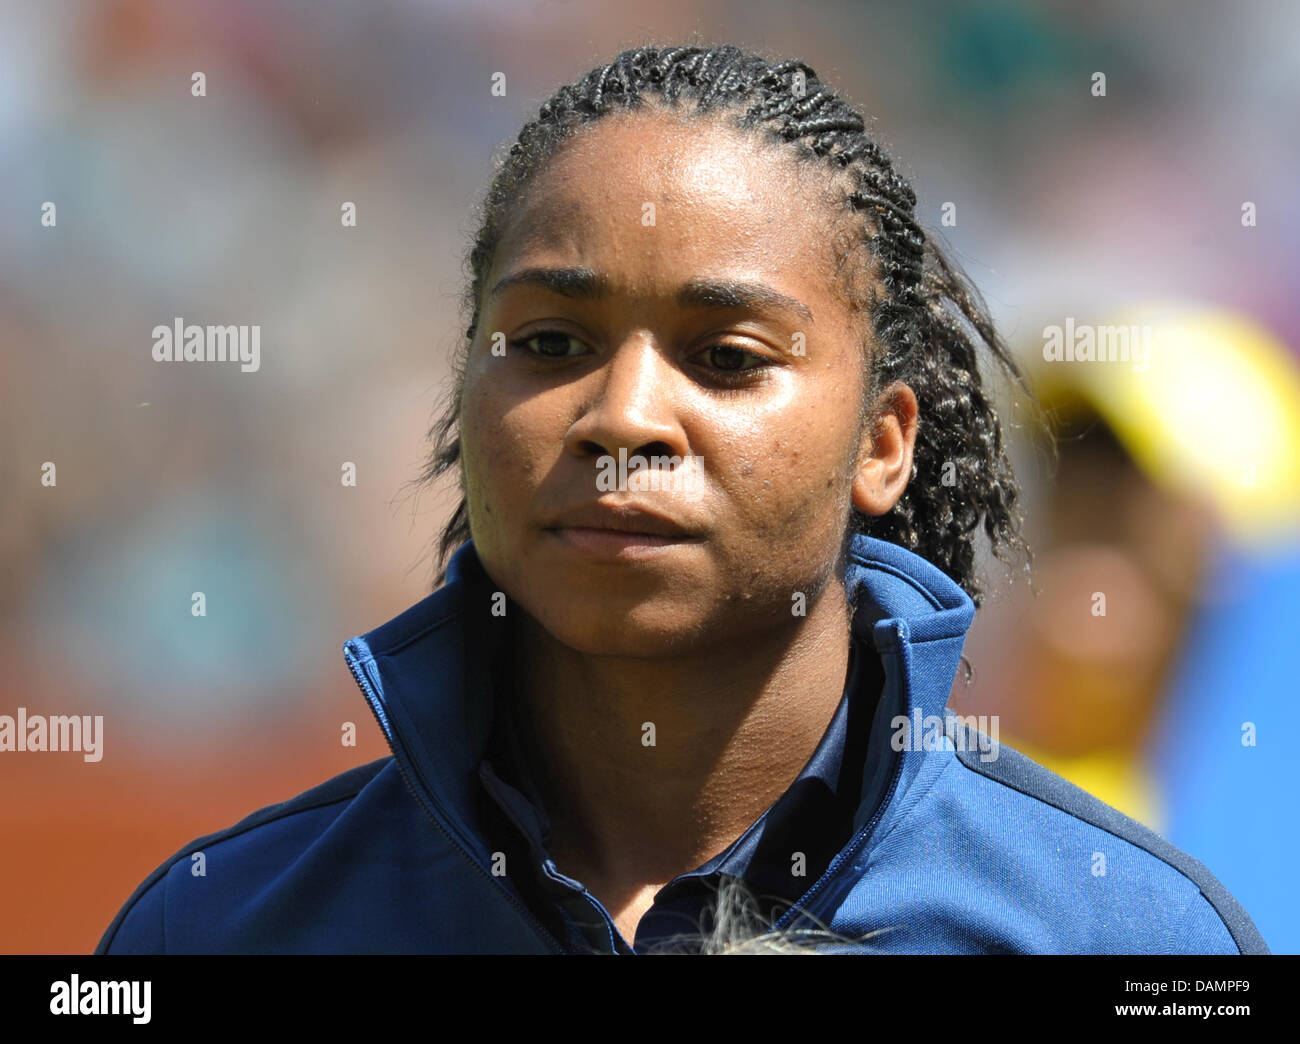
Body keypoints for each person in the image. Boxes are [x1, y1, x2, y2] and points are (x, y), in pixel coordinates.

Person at [96, 44, 1267, 955]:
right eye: (549, 341)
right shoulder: (213, 931)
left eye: (725, 357)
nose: (623, 416)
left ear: (882, 442)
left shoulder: (1122, 935)